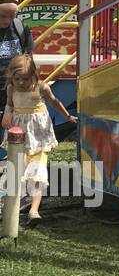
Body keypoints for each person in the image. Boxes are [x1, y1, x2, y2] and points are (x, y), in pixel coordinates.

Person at [3, 53, 75, 224]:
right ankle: (17, 202)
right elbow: (9, 105)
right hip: (19, 132)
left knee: (38, 171)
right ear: (12, 77)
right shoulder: (11, 89)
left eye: (25, 79)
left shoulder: (41, 88)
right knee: (20, 168)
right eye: (18, 78)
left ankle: (34, 211)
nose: (21, 83)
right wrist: (7, 114)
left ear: (34, 76)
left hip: (39, 133)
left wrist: (67, 117)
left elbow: (55, 102)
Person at [0, 0, 34, 115]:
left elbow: (28, 59)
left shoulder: (20, 28)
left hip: (16, 90)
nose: (7, 20)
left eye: (12, 16)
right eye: (2, 16)